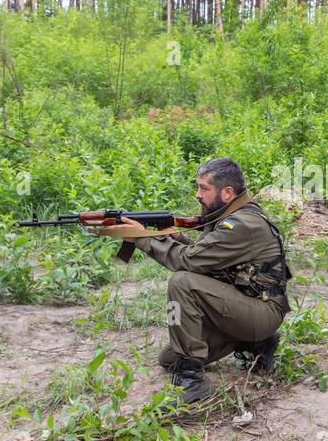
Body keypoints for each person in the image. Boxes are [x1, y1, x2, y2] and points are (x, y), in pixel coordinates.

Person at [109, 157, 291, 411]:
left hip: (262, 310)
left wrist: (142, 237)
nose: (198, 194)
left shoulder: (241, 224)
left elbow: (187, 262)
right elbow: (208, 258)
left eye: (204, 189)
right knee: (171, 359)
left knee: (182, 282)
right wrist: (178, 237)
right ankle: (252, 342)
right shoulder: (230, 214)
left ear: (227, 193)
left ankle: (194, 383)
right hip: (246, 304)